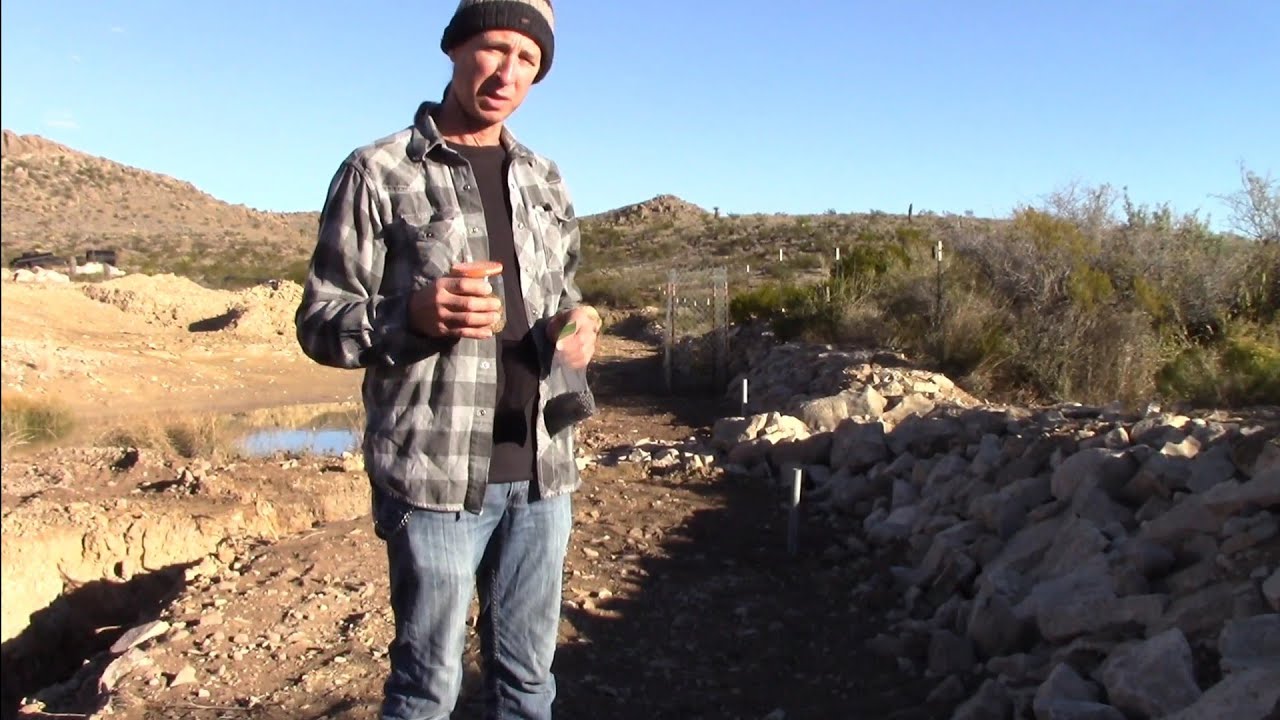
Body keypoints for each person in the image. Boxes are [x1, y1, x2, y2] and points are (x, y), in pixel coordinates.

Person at [294, 1, 599, 718]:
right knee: (426, 688)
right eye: (494, 48)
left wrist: (578, 326)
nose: (507, 72)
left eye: (528, 59)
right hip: (433, 478)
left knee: (529, 684)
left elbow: (564, 294)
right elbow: (321, 323)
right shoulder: (378, 172)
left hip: (542, 473)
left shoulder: (545, 178)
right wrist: (413, 316)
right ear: (456, 48)